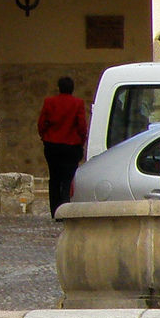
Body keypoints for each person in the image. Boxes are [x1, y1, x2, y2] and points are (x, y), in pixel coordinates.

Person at [36, 76, 91, 216]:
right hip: (71, 145)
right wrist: (81, 141)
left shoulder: (49, 102)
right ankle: (65, 208)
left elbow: (42, 123)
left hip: (52, 144)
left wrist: (45, 137)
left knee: (54, 178)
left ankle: (54, 209)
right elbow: (81, 126)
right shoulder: (77, 103)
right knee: (68, 178)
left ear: (59, 87)